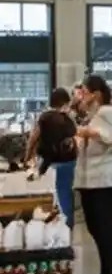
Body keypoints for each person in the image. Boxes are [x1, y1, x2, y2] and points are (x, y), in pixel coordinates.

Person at [74, 75, 112, 274]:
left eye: (85, 92)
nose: (81, 97)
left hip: (104, 179)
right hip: (91, 179)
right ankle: (107, 272)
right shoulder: (93, 115)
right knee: (96, 226)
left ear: (96, 94)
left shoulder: (107, 113)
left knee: (104, 226)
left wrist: (94, 134)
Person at [25, 88, 79, 224]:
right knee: (66, 193)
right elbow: (75, 138)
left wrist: (27, 157)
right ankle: (68, 225)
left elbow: (33, 138)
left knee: (52, 195)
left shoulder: (44, 117)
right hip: (69, 162)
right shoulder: (68, 118)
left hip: (49, 163)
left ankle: (56, 224)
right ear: (64, 103)